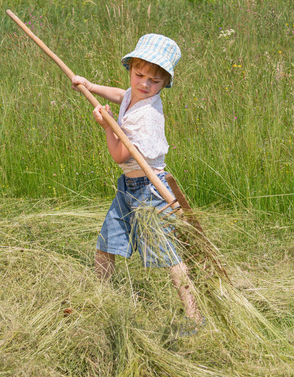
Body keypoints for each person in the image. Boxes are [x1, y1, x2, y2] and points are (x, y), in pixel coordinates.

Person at [71, 33, 203, 327]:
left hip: (151, 190)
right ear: (130, 69)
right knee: (106, 244)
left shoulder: (148, 118)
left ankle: (194, 315)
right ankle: (99, 298)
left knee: (169, 255)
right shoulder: (136, 94)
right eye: (138, 74)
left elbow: (119, 155)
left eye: (153, 81)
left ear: (164, 84)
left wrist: (108, 125)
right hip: (127, 188)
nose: (144, 84)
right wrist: (90, 87)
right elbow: (122, 95)